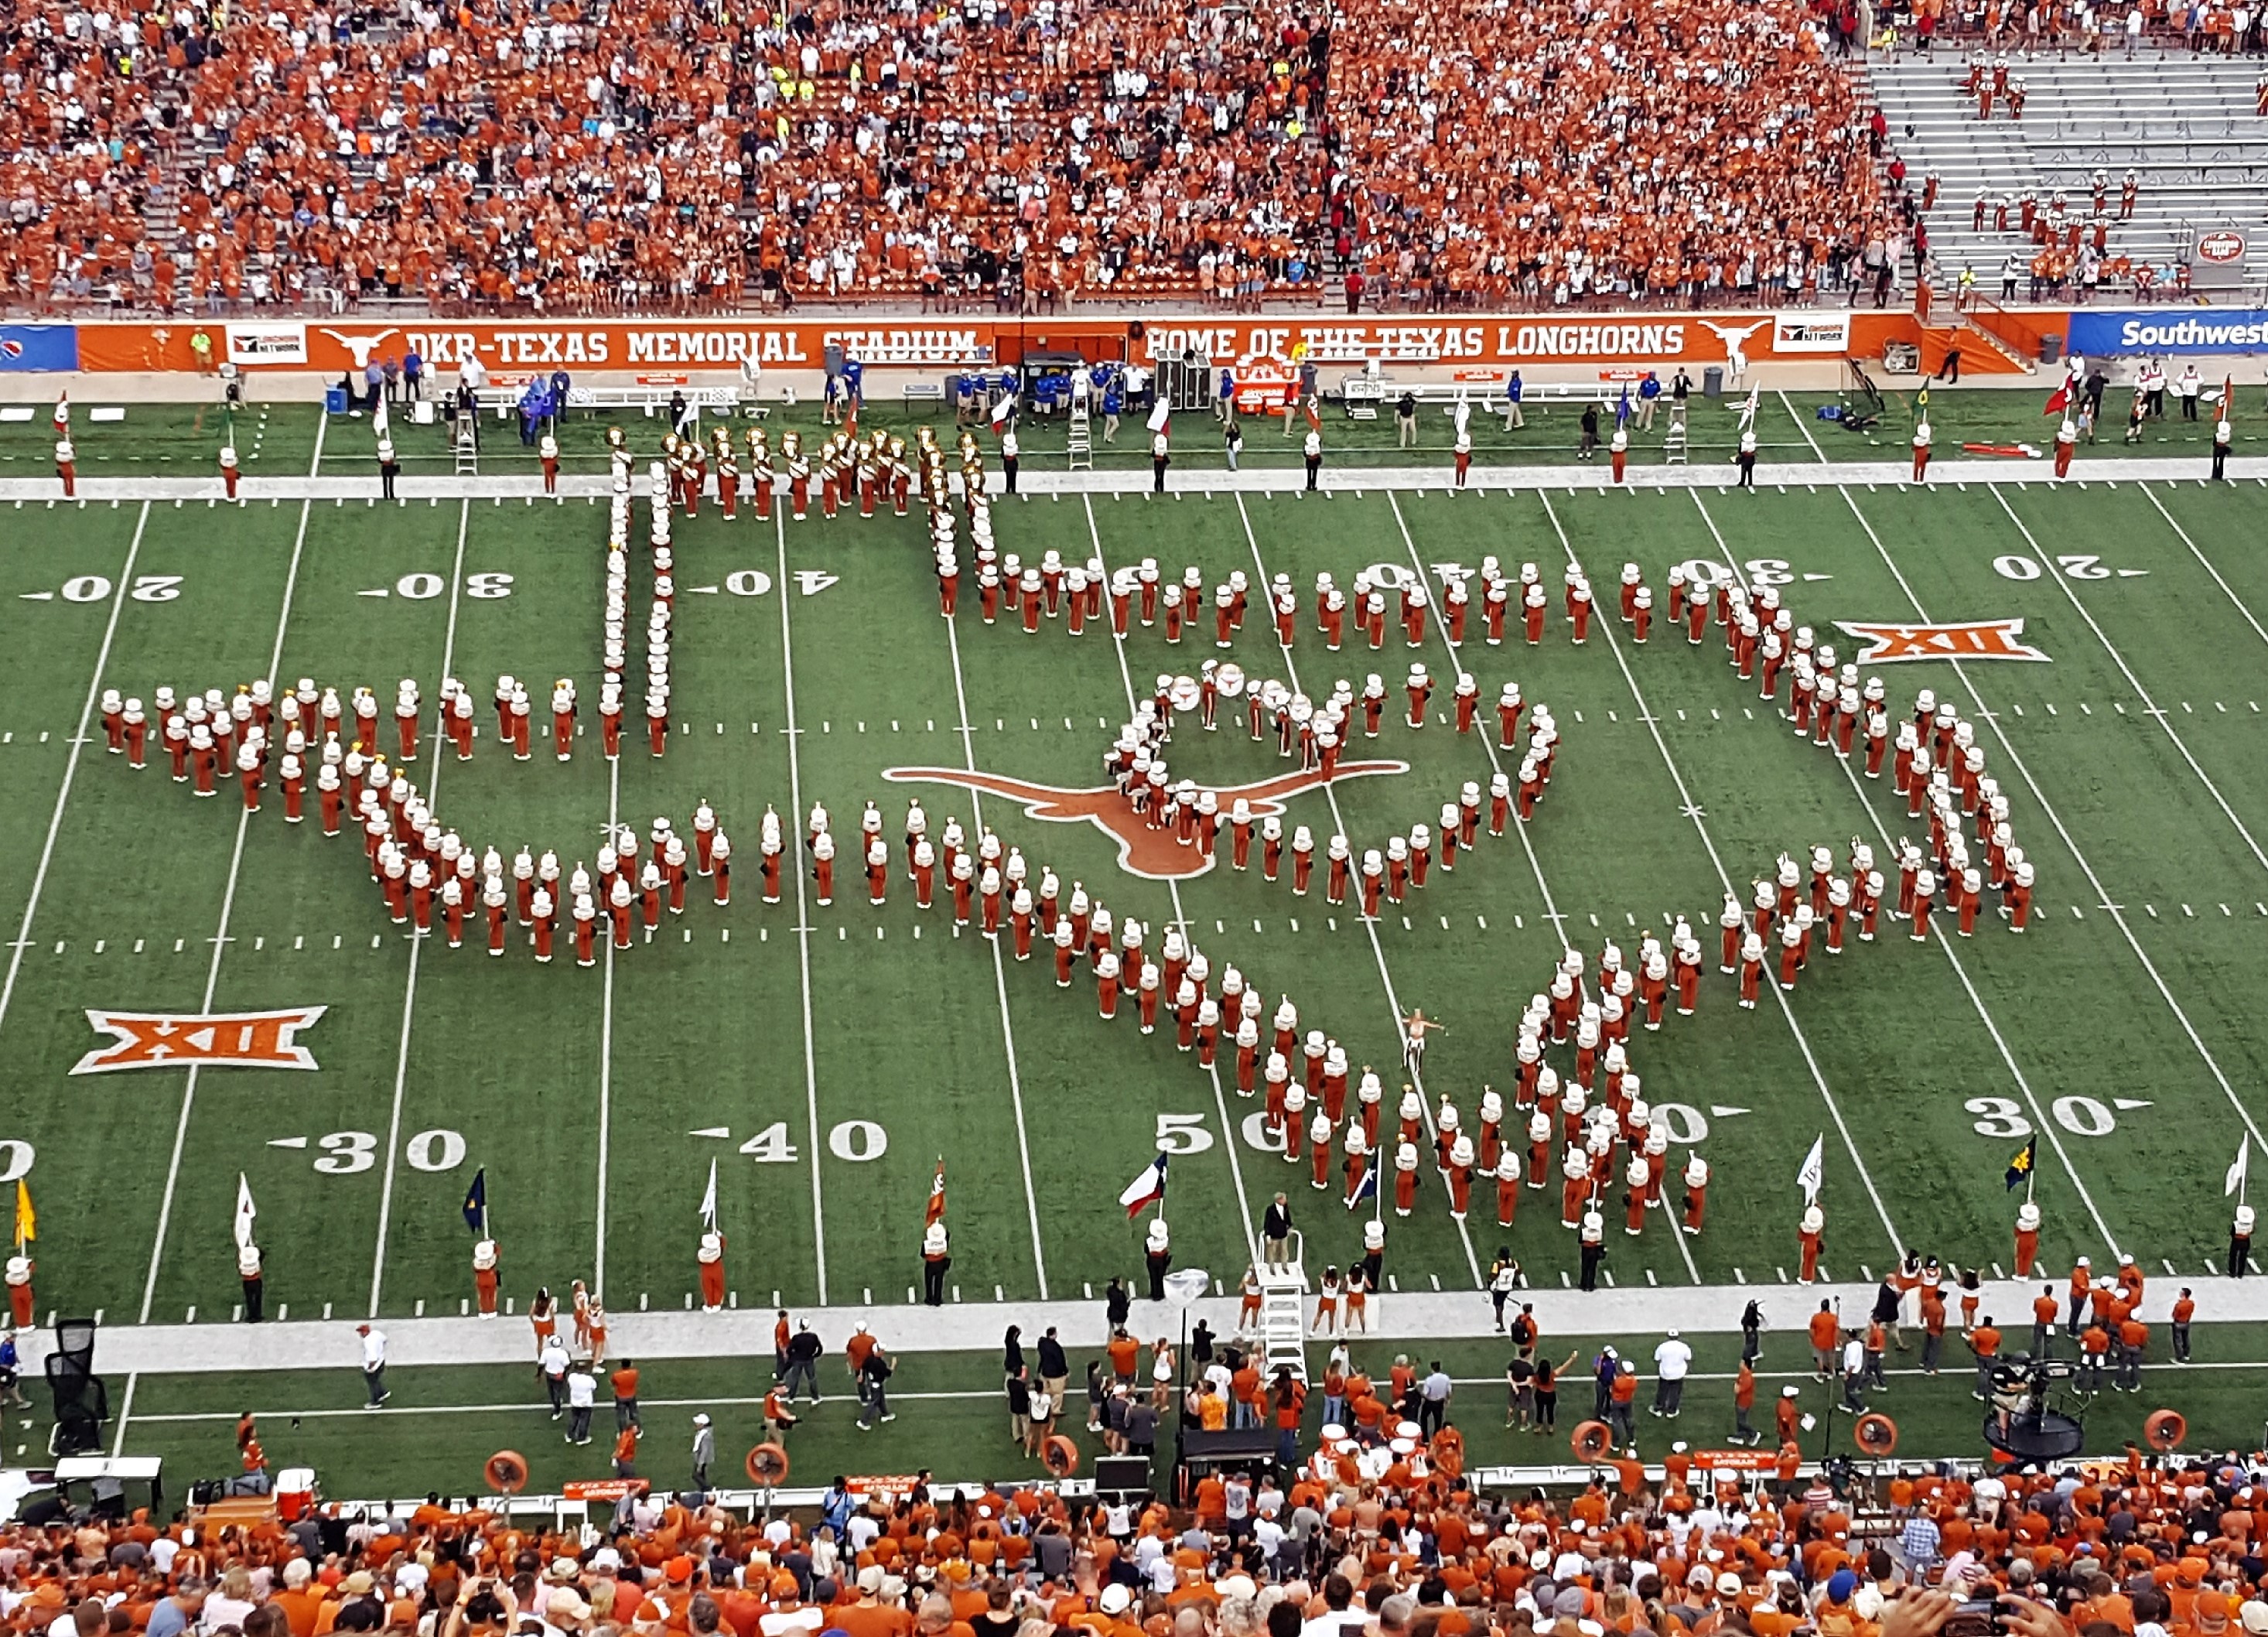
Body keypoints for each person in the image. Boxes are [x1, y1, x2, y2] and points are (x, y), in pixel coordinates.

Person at [1651, 1329, 1692, 1417]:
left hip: (1665, 1373)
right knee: (1675, 1392)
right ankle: (1672, 1411)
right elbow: (1688, 1358)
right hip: (1678, 1374)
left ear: (1668, 1336)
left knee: (1662, 1391)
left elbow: (1657, 1359)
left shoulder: (1662, 1347)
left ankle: (1658, 1409)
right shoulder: (1684, 1347)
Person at [357, 1323, 389, 1408]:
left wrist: (370, 1368)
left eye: (361, 1332)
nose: (360, 1334)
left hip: (374, 1365)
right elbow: (385, 1340)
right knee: (376, 1380)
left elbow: (373, 1358)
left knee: (372, 1383)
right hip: (381, 1360)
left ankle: (375, 1402)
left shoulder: (368, 1342)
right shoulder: (376, 1333)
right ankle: (382, 1393)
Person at [690, 1413, 715, 1488]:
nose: (696, 1424)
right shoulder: (702, 1433)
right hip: (700, 1458)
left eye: (698, 1423)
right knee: (701, 1476)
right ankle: (704, 1490)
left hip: (701, 1459)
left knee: (696, 1475)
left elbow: (704, 1451)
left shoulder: (705, 1435)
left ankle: (708, 1489)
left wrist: (700, 1465)